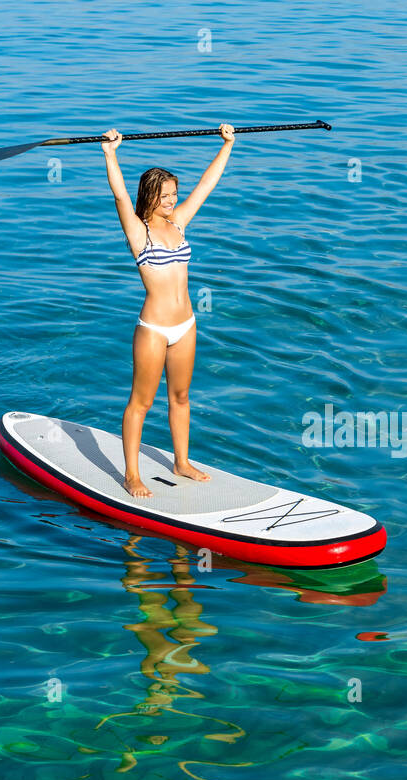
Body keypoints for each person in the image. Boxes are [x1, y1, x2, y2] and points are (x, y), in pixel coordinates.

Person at [101, 122, 235, 498]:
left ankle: (181, 462)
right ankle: (131, 474)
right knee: (141, 403)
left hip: (186, 325)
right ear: (150, 197)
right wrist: (111, 155)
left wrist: (226, 145)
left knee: (180, 397)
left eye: (174, 194)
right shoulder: (138, 232)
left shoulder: (179, 223)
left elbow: (207, 186)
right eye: (165, 196)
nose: (172, 201)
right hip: (155, 328)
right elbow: (120, 198)